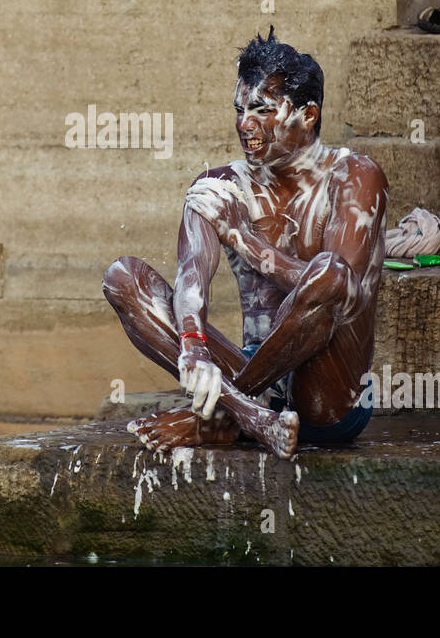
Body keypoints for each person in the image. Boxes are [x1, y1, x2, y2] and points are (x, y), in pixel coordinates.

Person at [103, 28, 388, 459]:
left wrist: (246, 241)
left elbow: (342, 294)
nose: (245, 124)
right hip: (256, 376)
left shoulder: (354, 177)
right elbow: (191, 275)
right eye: (239, 109)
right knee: (123, 278)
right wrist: (195, 346)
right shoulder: (220, 185)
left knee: (328, 275)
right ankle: (250, 416)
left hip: (331, 394)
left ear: (308, 115)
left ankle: (222, 414)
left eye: (262, 109)